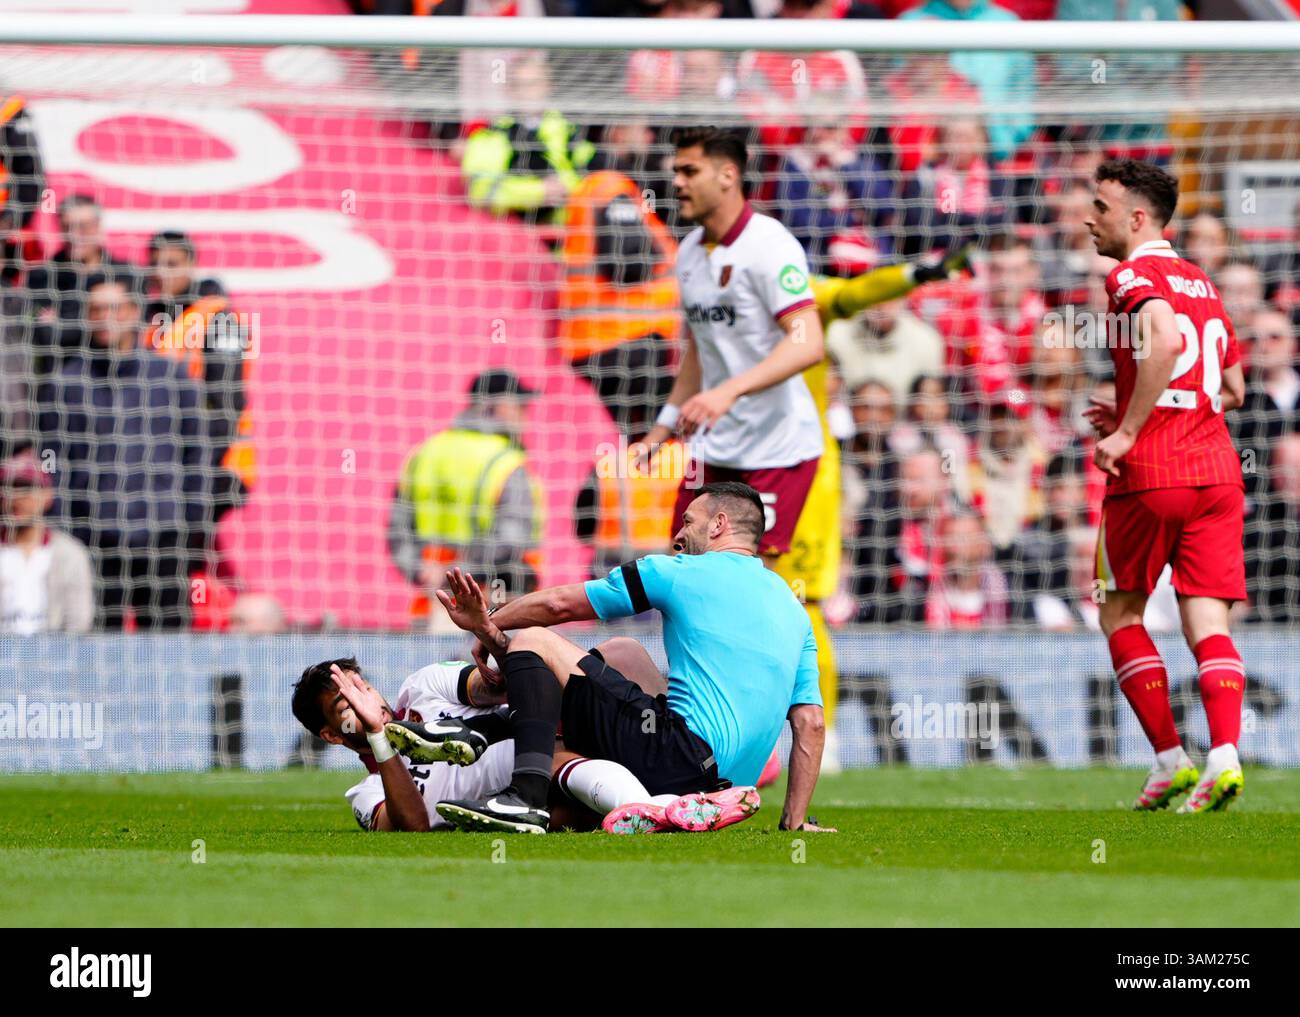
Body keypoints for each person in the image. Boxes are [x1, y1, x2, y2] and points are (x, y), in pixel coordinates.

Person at [431, 482, 833, 836]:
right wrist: (794, 821)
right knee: (625, 653)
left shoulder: (680, 572)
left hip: (678, 757)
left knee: (535, 641)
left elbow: (558, 605)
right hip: (726, 785)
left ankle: (523, 796)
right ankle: (488, 735)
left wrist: (489, 622)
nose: (679, 535)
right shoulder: (794, 609)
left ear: (718, 525)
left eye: (688, 522)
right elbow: (811, 723)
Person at [1083, 158, 1249, 814]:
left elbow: (1166, 340)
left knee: (1118, 611)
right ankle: (1225, 757)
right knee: (1207, 620)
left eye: (1100, 207)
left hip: (1152, 473)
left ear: (1136, 218)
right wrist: (1142, 407)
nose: (1089, 219)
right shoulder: (1202, 281)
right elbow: (1231, 387)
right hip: (1217, 471)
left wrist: (1129, 430)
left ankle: (1170, 758)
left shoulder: (1130, 274)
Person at [292, 645, 748, 835]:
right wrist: (378, 736)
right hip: (557, 790)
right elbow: (412, 826)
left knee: (621, 652)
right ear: (331, 735)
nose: (364, 699)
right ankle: (673, 806)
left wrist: (490, 635)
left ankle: (687, 768)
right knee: (555, 781)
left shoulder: (423, 687)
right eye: (346, 703)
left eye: (361, 685)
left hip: (574, 731)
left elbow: (500, 686)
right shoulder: (368, 792)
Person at [640, 127, 826, 566]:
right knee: (683, 565)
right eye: (676, 171)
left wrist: (728, 391)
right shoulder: (689, 252)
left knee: (749, 581)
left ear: (727, 175)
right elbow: (701, 348)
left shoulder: (770, 245)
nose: (677, 182)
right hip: (716, 445)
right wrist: (661, 430)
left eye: (690, 171)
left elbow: (808, 341)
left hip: (777, 448)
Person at [36, 273, 211, 630]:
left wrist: (190, 523)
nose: (105, 318)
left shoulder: (172, 378)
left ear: (134, 312)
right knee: (98, 642)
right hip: (94, 538)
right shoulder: (66, 383)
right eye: (96, 310)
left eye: (114, 309)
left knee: (167, 643)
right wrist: (65, 528)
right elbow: (53, 461)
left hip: (164, 535)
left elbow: (197, 455)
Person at [388, 369, 544, 619]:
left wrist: (425, 571)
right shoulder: (505, 461)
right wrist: (457, 573)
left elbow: (398, 531)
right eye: (521, 406)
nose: (525, 416)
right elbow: (511, 539)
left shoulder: (425, 453)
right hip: (497, 606)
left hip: (435, 605)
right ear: (498, 406)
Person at [0, 449, 94, 634]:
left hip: (54, 650)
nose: (17, 497)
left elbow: (79, 622)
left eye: (26, 488)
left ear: (47, 495)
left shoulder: (70, 554)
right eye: (9, 487)